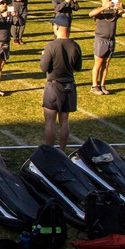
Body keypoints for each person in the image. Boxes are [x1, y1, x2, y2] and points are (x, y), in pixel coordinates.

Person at [41, 13, 83, 151]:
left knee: (50, 122)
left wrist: (43, 56)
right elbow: (78, 67)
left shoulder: (51, 46)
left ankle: (49, 151)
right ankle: (62, 150)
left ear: (57, 27)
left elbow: (44, 68)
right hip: (69, 85)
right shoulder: (75, 46)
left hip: (54, 86)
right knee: (64, 121)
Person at [89, 0, 125, 95]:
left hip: (111, 40)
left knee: (106, 64)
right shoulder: (100, 11)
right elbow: (91, 14)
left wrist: (123, 6)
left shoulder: (115, 11)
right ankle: (94, 86)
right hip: (101, 40)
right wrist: (104, 7)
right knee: (98, 63)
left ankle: (102, 85)